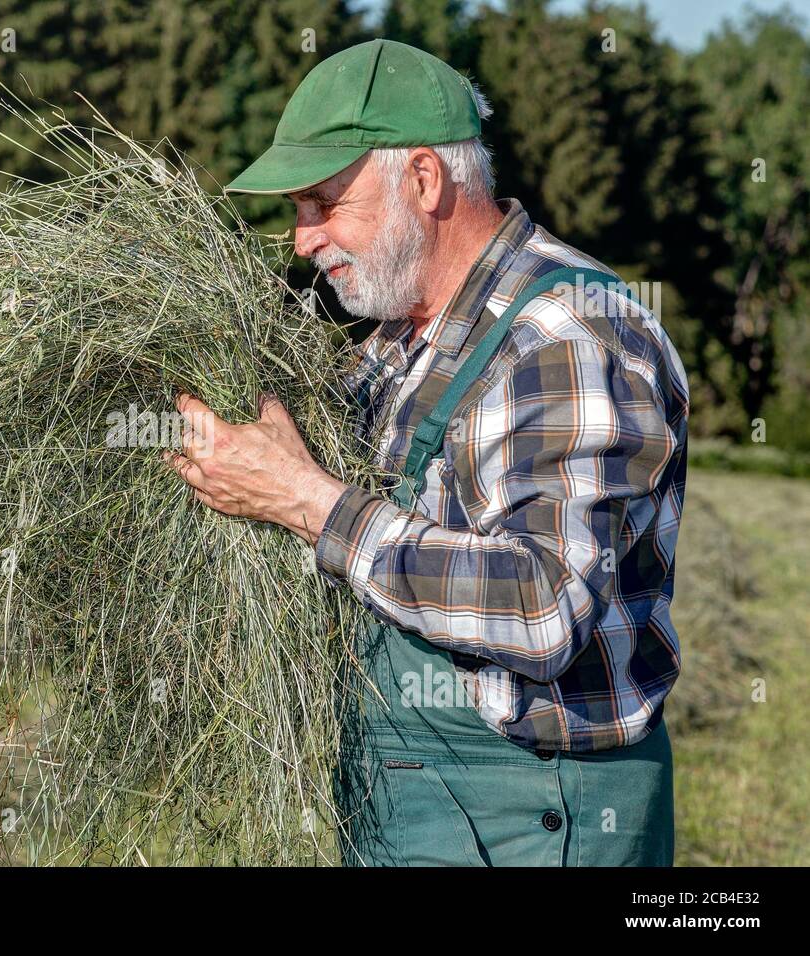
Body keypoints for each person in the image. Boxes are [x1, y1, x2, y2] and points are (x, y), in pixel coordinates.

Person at [164, 38, 687, 866]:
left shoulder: (565, 336)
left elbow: (542, 606)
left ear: (423, 179)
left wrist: (307, 500)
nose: (302, 241)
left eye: (321, 203)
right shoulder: (399, 343)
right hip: (414, 796)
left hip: (535, 811)